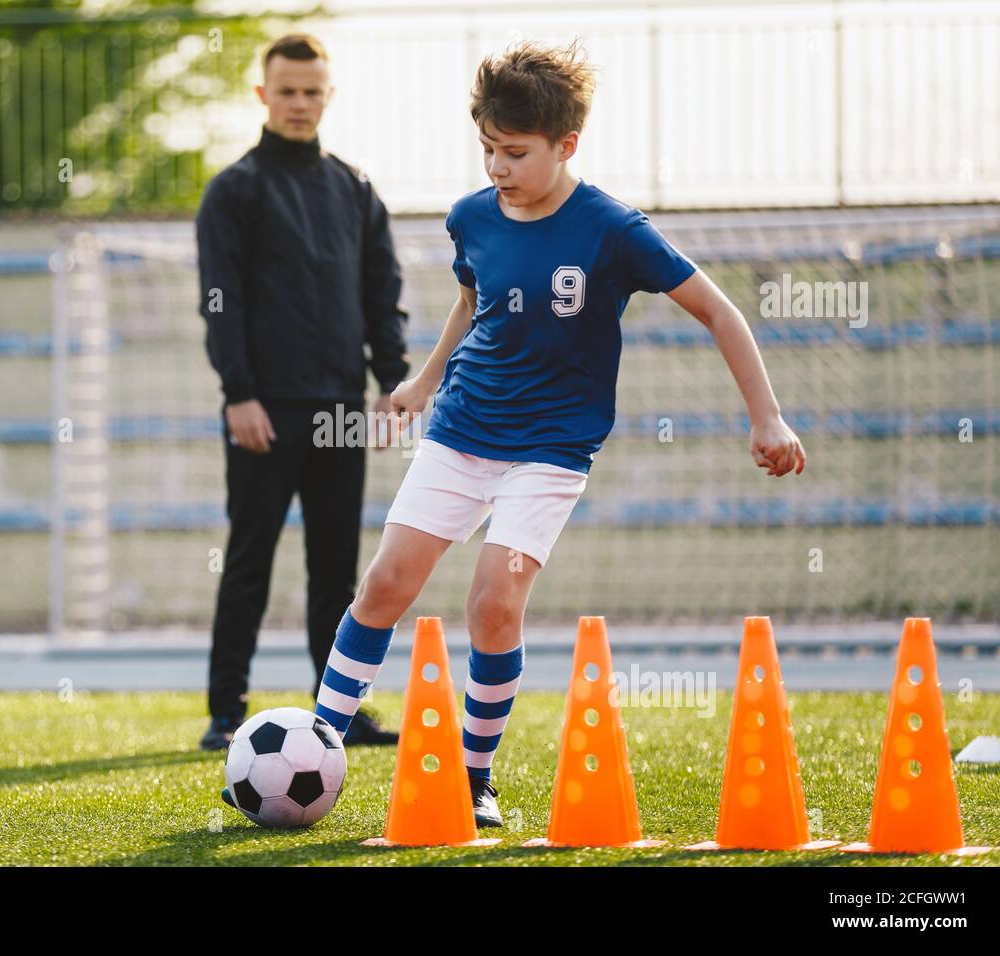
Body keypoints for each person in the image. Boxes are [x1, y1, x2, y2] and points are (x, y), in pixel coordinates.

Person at [306, 40, 808, 827]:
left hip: (549, 450)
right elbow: (474, 302)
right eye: (487, 150)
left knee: (493, 605)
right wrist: (420, 384)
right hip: (462, 428)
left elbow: (720, 310)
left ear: (566, 144)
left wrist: (767, 415)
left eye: (514, 152)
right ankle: (318, 744)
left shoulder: (613, 228)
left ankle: (474, 778)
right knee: (383, 587)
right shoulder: (471, 216)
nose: (496, 168)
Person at [196, 33, 409, 752]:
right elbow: (218, 299)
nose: (298, 103)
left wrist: (392, 384)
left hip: (342, 413)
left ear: (328, 96)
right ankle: (226, 711)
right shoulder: (235, 191)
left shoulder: (354, 188)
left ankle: (338, 712)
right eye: (286, 90)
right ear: (263, 95)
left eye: (311, 91)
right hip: (265, 411)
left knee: (337, 572)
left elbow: (383, 292)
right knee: (249, 559)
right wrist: (239, 394)